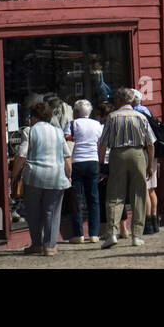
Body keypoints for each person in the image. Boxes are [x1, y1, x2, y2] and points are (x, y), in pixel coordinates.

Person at [97, 88, 155, 248]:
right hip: (138, 154)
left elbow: (103, 143)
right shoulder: (141, 117)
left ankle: (112, 233)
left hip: (117, 154)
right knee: (139, 194)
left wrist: (101, 163)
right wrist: (150, 164)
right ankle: (136, 235)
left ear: (119, 100)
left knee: (115, 194)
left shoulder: (112, 117)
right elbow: (150, 144)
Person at [13, 100, 71, 255]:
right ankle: (50, 246)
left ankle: (37, 244)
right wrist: (69, 175)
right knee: (52, 212)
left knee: (33, 212)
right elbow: (67, 157)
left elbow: (21, 156)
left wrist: (14, 176)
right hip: (56, 175)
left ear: (34, 117)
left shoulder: (29, 131)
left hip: (34, 176)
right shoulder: (58, 132)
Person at [64, 99, 102, 244]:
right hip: (93, 161)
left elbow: (66, 138)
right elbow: (101, 140)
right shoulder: (97, 124)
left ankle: (78, 234)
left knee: (77, 199)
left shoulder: (73, 124)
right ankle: (94, 234)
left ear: (77, 112)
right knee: (93, 198)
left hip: (77, 162)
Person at [132, 92, 161, 236]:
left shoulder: (137, 114)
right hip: (153, 155)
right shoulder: (147, 111)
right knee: (151, 190)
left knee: (144, 190)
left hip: (144, 154)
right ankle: (155, 222)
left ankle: (147, 224)